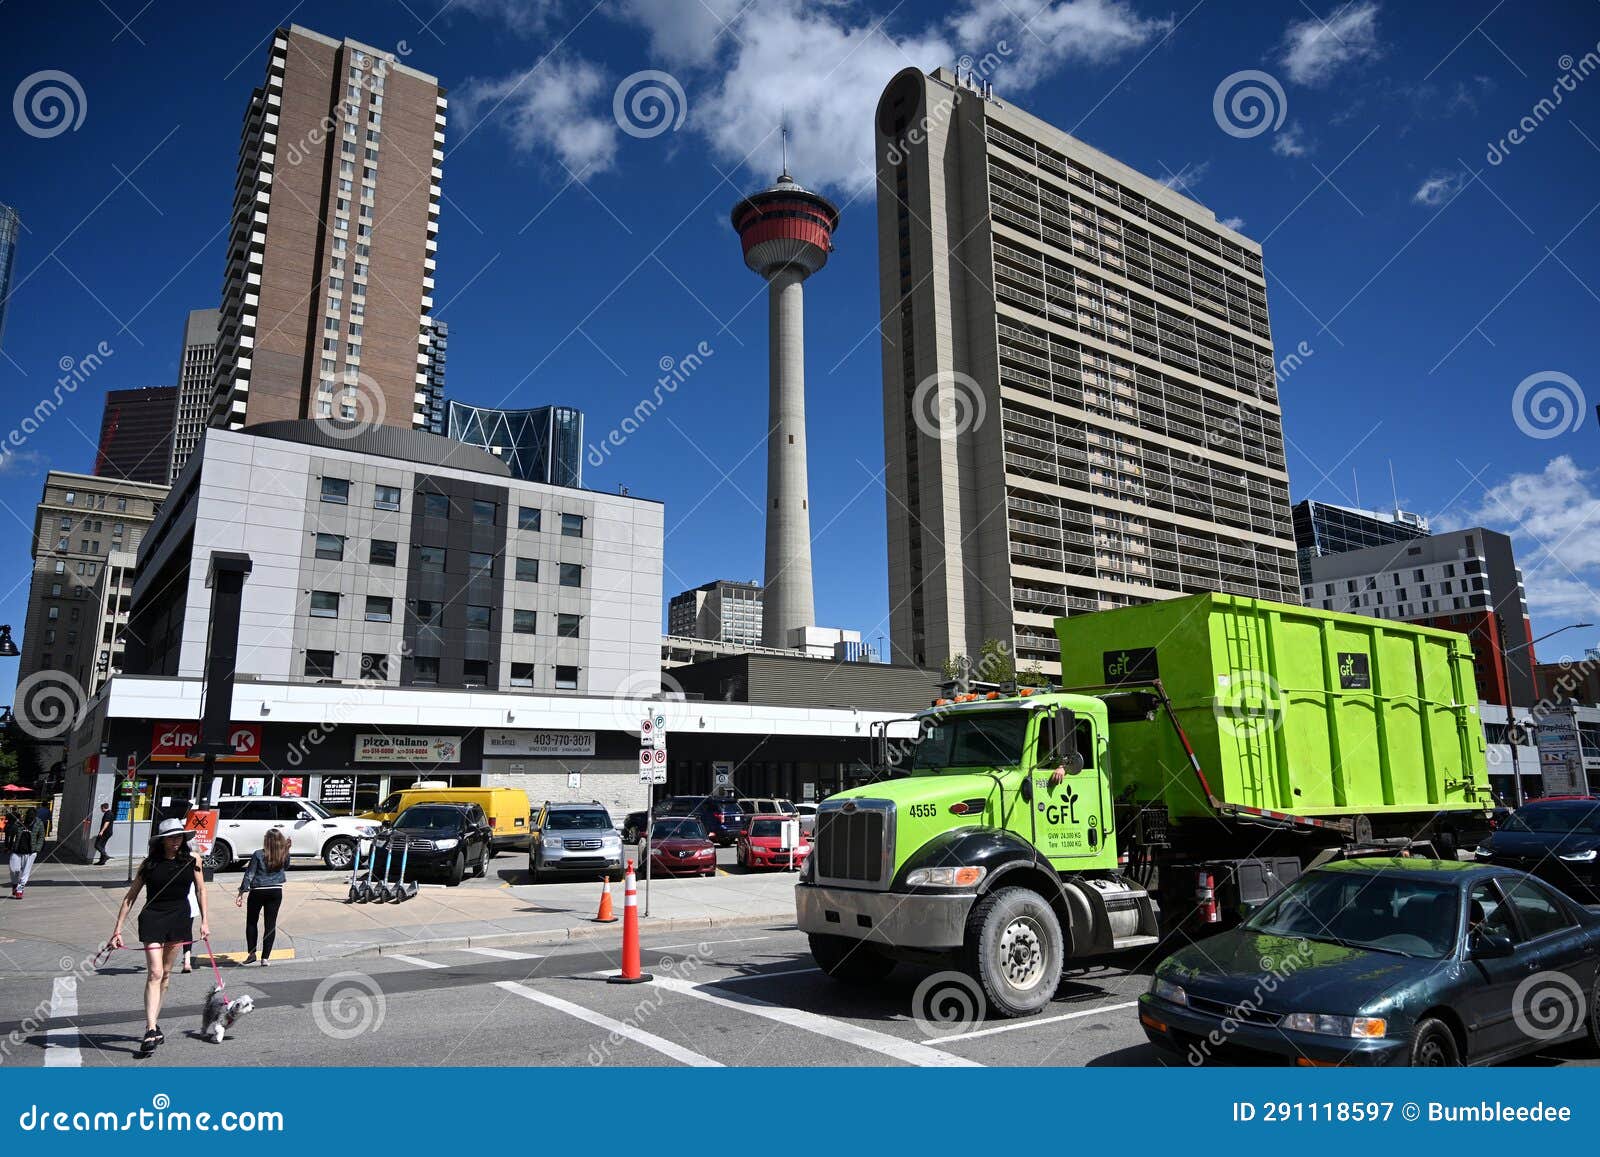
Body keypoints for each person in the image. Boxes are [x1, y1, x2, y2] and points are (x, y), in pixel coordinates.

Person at [107, 819, 209, 1055]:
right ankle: (151, 1029)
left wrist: (204, 921)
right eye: (172, 837)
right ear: (161, 840)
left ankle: (154, 1024)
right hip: (153, 917)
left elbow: (201, 889)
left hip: (179, 918)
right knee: (154, 972)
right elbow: (130, 897)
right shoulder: (149, 864)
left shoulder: (193, 860)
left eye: (179, 836)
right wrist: (118, 929)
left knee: (165, 975)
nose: (176, 841)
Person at [236, 828, 289, 966]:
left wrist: (242, 891)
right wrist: (286, 850)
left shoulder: (258, 854)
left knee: (252, 922)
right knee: (270, 924)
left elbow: (250, 873)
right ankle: (265, 958)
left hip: (258, 890)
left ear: (266, 840)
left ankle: (252, 953)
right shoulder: (283, 854)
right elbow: (286, 867)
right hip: (276, 890)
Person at [9, 806, 50, 898]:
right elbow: (12, 832)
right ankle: (15, 884)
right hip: (17, 850)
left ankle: (20, 889)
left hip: (30, 851)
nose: (30, 817)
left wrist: (37, 849)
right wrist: (17, 823)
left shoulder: (39, 823)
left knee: (25, 871)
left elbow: (41, 836)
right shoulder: (20, 822)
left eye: (32, 815)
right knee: (14, 870)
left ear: (35, 816)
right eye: (29, 815)